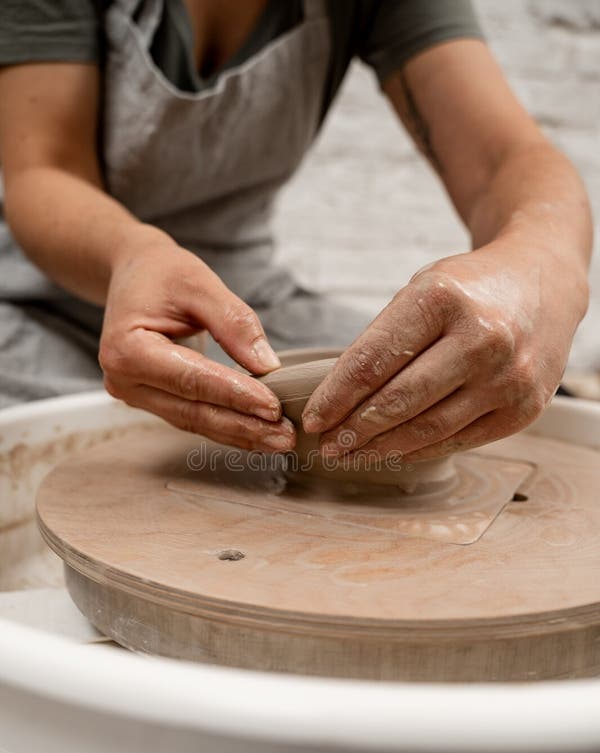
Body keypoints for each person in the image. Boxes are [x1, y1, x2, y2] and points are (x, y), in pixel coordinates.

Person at [0, 0, 592, 467]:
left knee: (433, 391)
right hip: (49, 293)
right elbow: (43, 170)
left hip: (243, 305)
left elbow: (504, 161)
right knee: (74, 461)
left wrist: (542, 265)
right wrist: (134, 254)